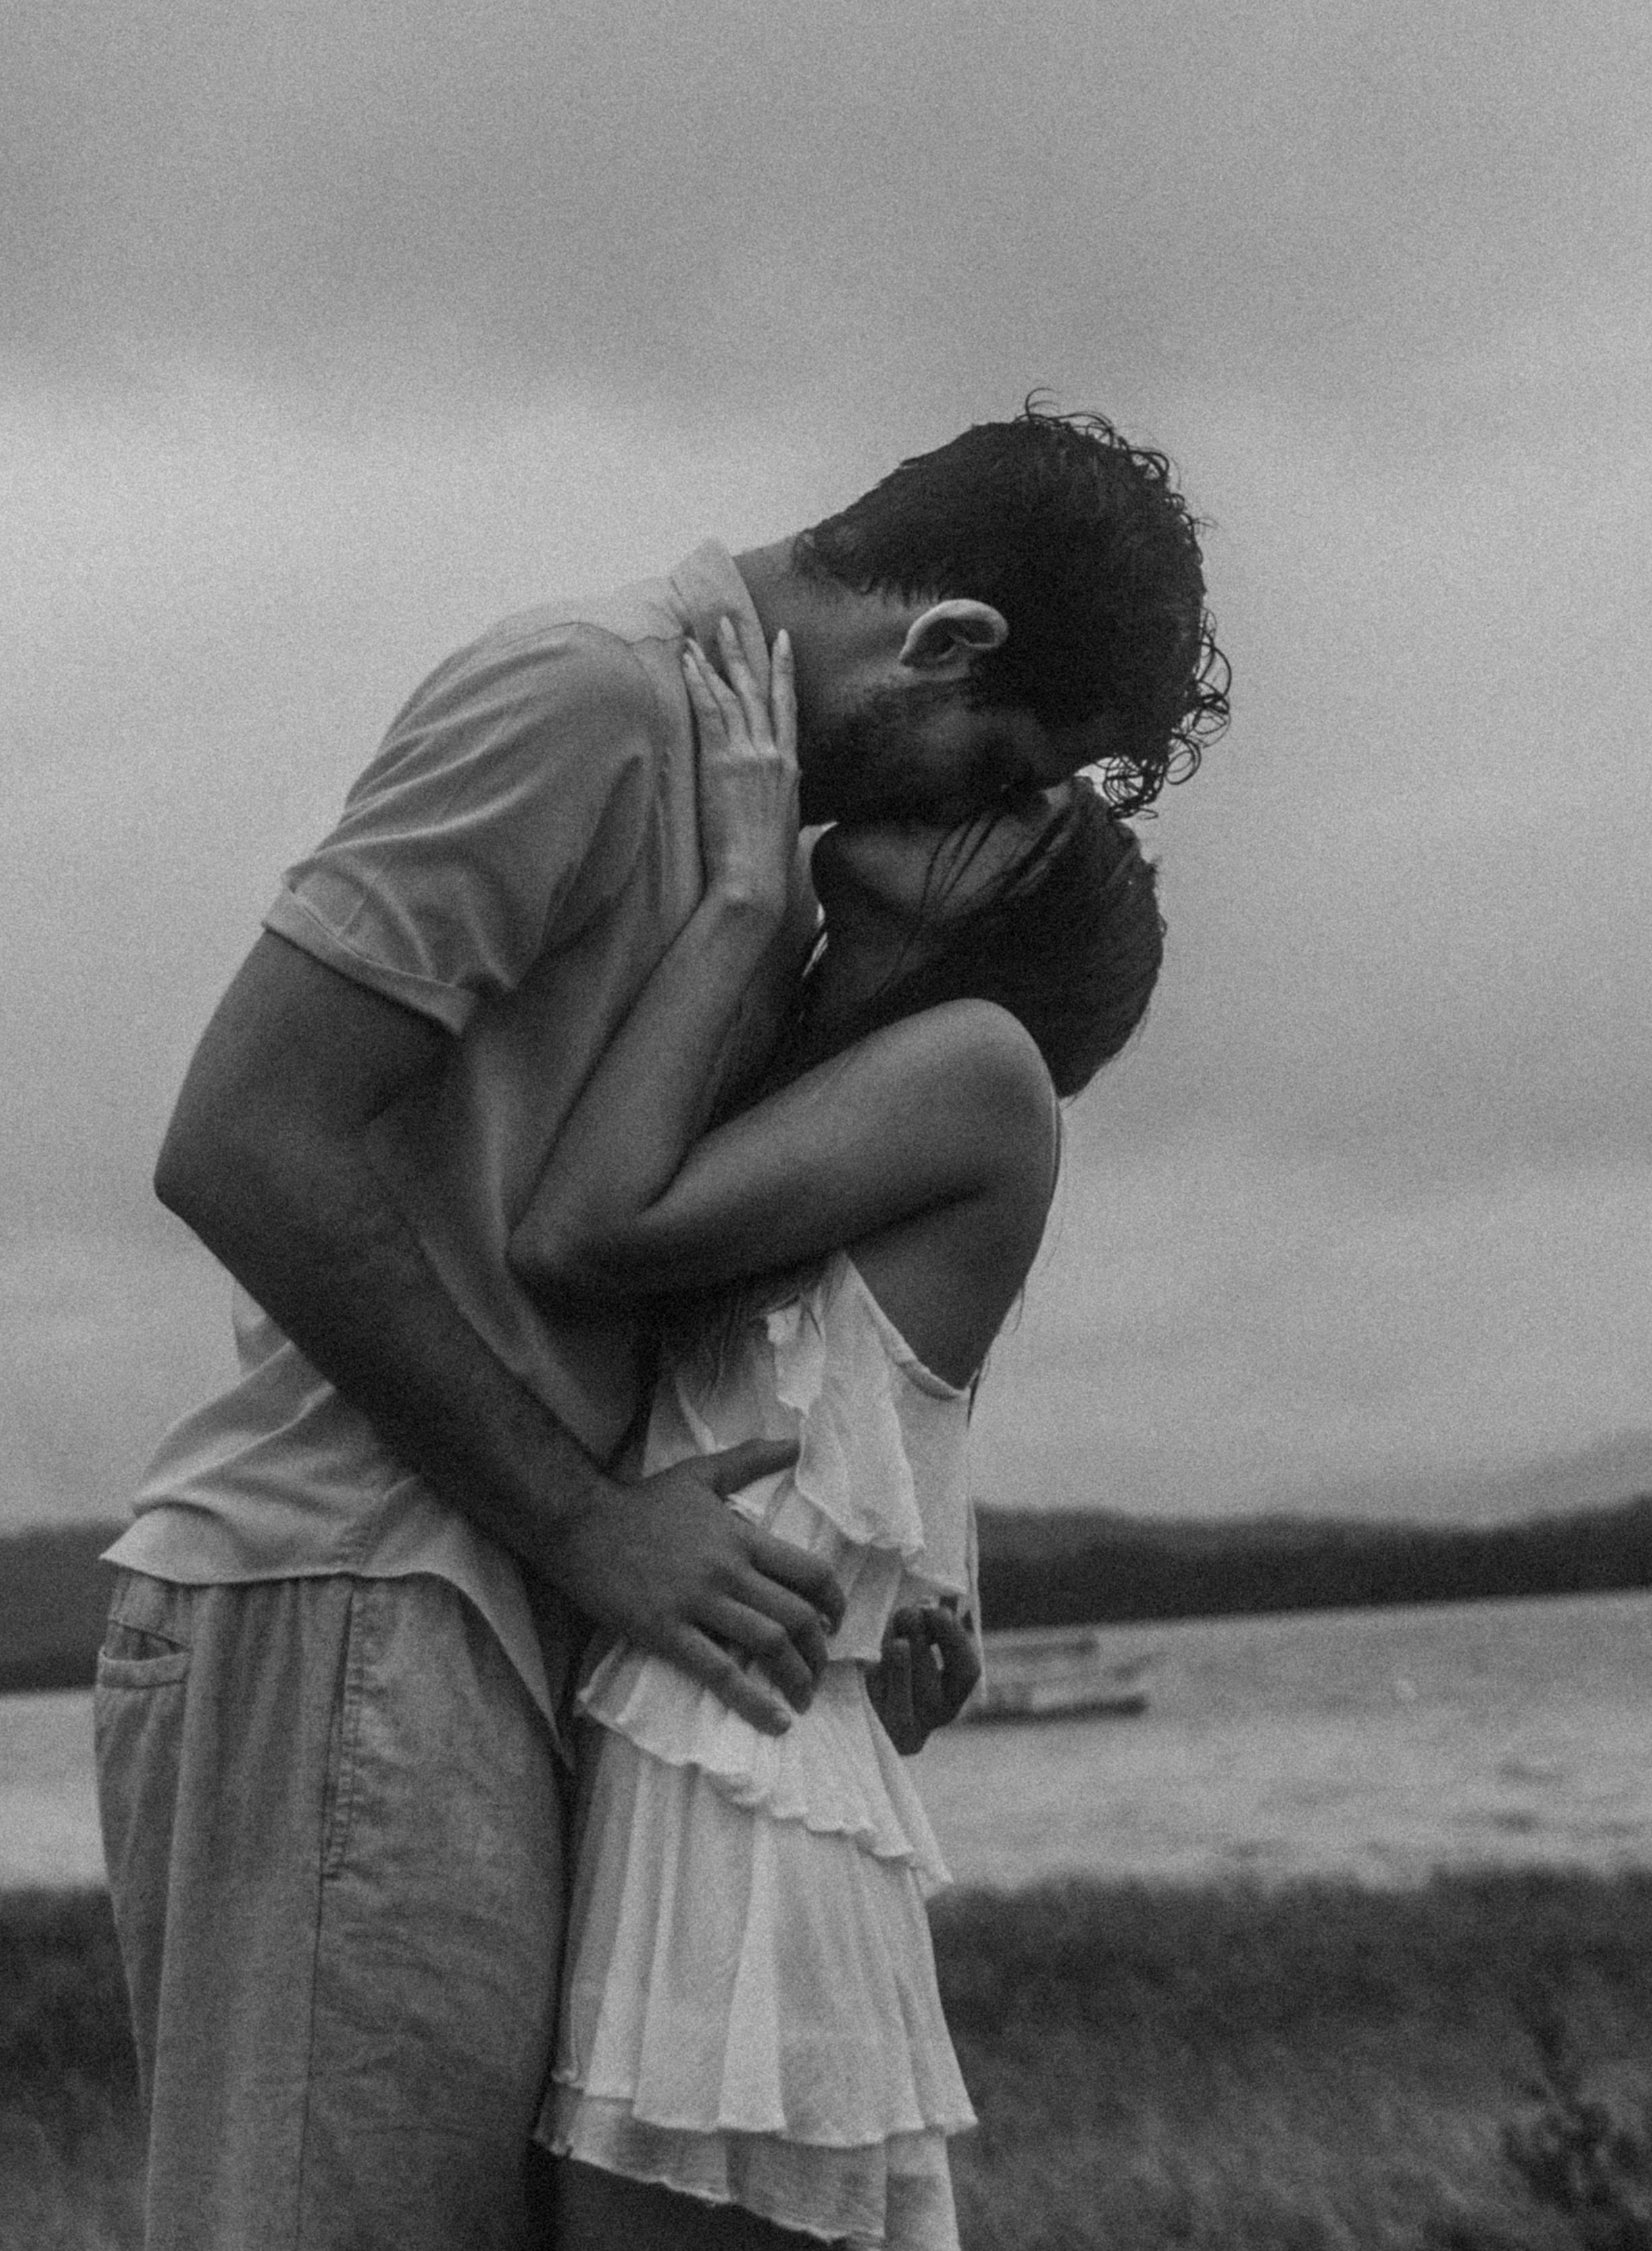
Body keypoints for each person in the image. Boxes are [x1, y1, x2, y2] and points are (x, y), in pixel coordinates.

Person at [95, 405, 1225, 2251]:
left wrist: (904, 1569)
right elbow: (241, 1138)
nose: (972, 817)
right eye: (998, 767)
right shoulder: (590, 702)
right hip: (359, 1578)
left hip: (509, 1617)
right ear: (942, 644)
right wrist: (591, 1527)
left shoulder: (768, 855)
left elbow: (809, 1335)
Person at [511, 624, 1164, 2248]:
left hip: (742, 1812)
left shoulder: (984, 1068)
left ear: (1018, 924)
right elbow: (876, 1434)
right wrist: (921, 1619)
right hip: (700, 1768)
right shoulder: (834, 1094)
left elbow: (583, 1226)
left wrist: (742, 888)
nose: (960, 780)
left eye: (1012, 810)